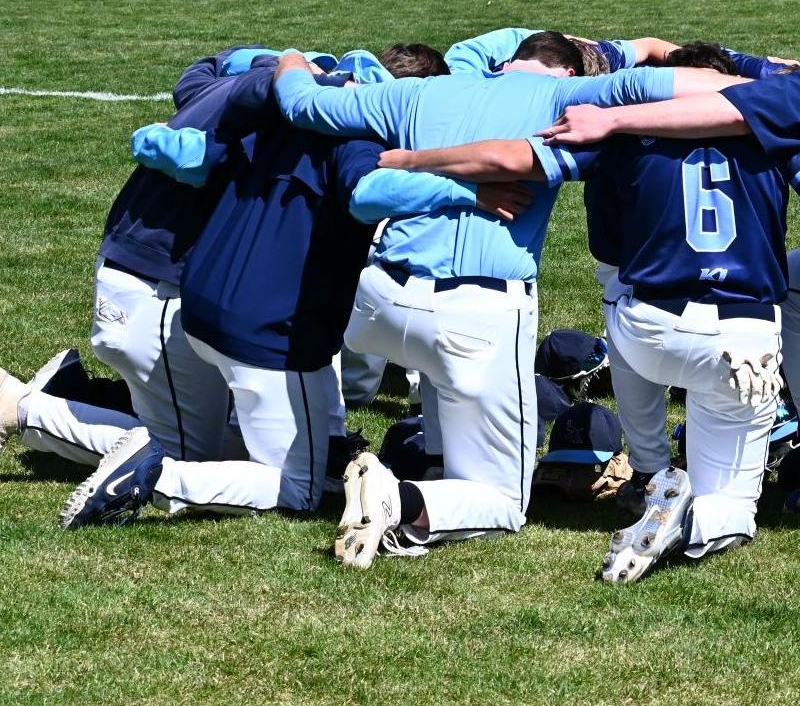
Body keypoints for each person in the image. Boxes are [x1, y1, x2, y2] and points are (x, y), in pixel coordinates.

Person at [363, 55, 800, 585]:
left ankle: (650, 473)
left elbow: (508, 158)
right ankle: (700, 513)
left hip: (647, 328)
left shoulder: (623, 128)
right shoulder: (774, 129)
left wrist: (408, 159)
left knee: (618, 299)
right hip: (741, 340)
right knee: (734, 508)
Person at [271, 32, 744, 567]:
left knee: (441, 374)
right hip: (473, 311)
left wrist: (290, 56)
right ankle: (394, 498)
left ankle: (434, 464)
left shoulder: (417, 91)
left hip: (378, 304)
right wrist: (781, 81)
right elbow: (697, 85)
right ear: (568, 72)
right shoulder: (568, 94)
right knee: (503, 504)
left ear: (508, 62)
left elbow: (300, 102)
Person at [57, 48, 482, 526]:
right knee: (290, 486)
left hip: (202, 302)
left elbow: (204, 116)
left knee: (242, 448)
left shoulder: (284, 105)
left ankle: (313, 446)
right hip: (265, 325)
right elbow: (367, 194)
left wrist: (285, 67)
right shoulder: (362, 128)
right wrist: (467, 188)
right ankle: (151, 476)